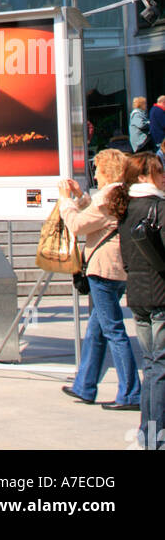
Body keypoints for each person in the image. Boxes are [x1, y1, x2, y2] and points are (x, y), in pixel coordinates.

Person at [58, 149, 140, 410]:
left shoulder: (106, 197)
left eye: (97, 169)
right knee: (97, 329)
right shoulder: (120, 193)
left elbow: (78, 224)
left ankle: (130, 393)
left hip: (102, 270)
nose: (95, 174)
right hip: (116, 270)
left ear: (107, 171)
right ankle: (85, 385)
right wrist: (80, 196)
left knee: (113, 331)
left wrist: (65, 201)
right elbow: (96, 215)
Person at [103, 152, 165, 450]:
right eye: (158, 171)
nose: (163, 176)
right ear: (143, 176)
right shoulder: (158, 208)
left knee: (153, 365)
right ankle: (156, 437)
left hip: (138, 295)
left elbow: (126, 258)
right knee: (160, 366)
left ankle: (148, 433)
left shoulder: (126, 209)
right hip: (161, 294)